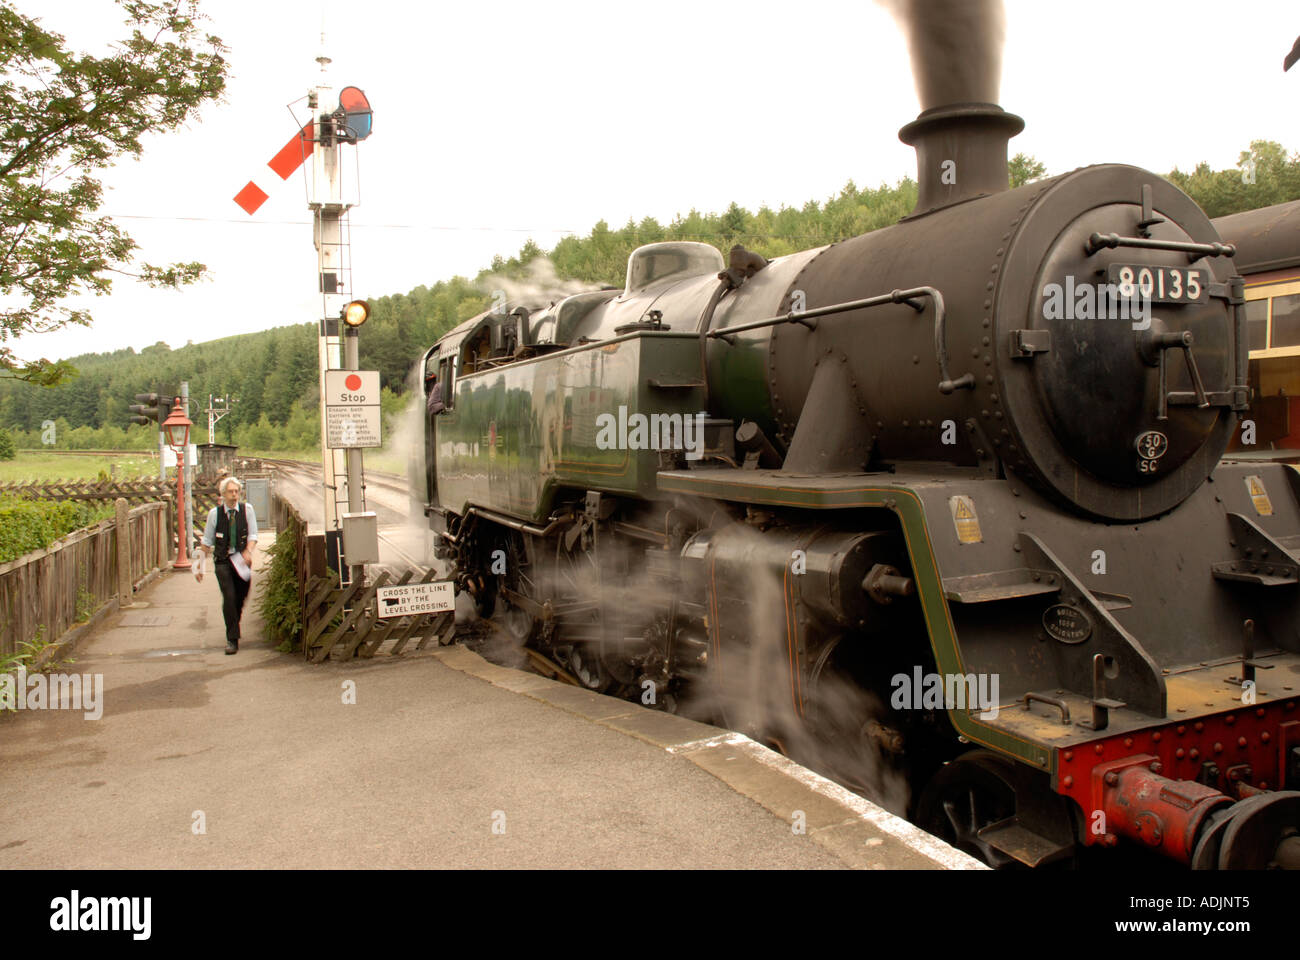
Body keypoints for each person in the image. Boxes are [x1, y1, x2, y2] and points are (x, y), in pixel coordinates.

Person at [196, 476, 259, 654]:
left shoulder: (248, 510)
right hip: (223, 560)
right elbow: (207, 541)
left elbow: (253, 535)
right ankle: (232, 639)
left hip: (241, 559)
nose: (234, 495)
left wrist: (248, 551)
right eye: (230, 492)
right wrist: (199, 565)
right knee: (229, 597)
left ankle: (234, 620)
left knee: (241, 596)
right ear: (223, 494)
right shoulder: (214, 514)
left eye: (236, 491)